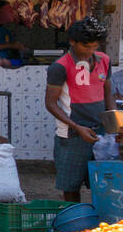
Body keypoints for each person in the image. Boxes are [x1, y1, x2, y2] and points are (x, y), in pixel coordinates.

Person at [46, 16, 114, 203]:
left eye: (94, 46)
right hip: (72, 134)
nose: (90, 51)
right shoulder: (59, 67)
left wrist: (114, 124)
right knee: (70, 187)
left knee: (104, 184)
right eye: (86, 47)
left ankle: (98, 224)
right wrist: (77, 128)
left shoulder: (104, 61)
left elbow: (108, 93)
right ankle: (74, 224)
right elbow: (51, 104)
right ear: (72, 42)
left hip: (101, 131)